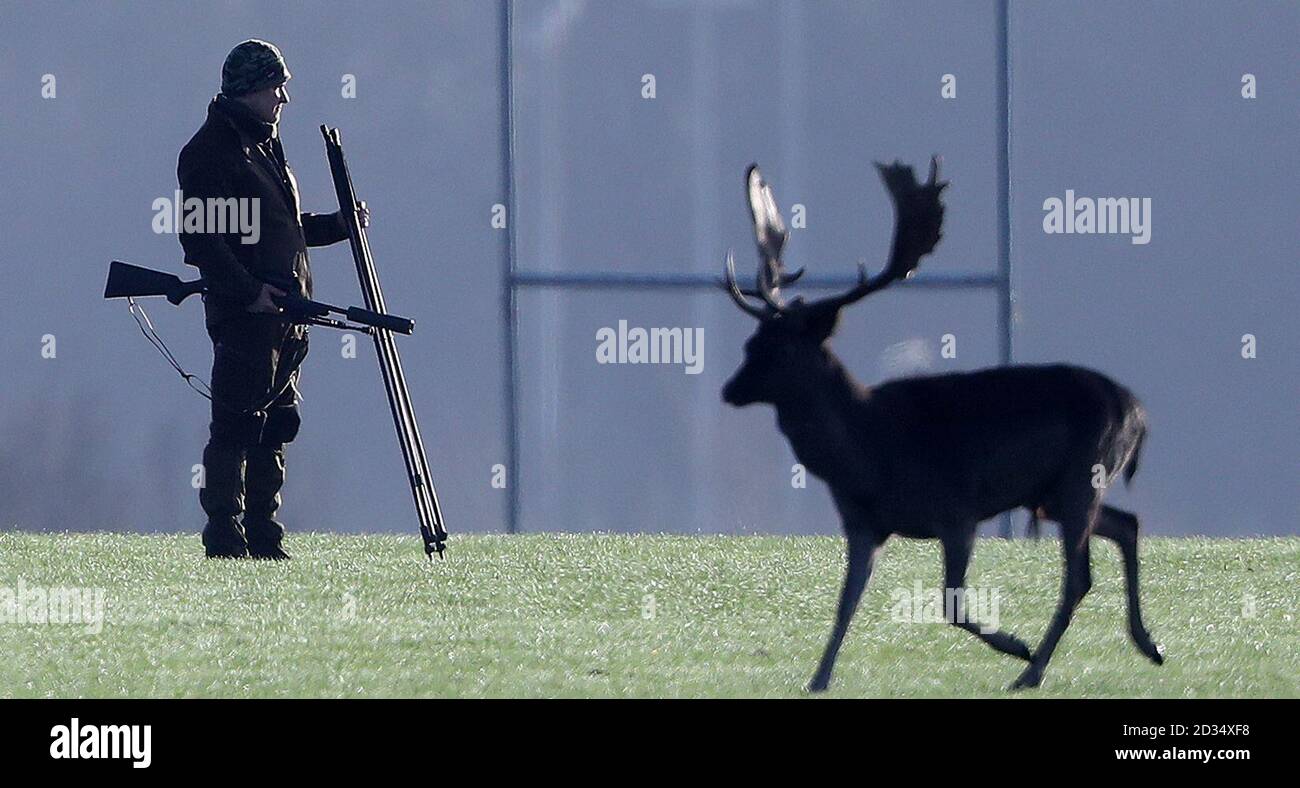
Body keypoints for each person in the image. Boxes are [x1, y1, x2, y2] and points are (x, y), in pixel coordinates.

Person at [178, 39, 368, 559]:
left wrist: (337, 226)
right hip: (248, 319)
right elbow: (201, 241)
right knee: (237, 426)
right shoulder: (212, 152)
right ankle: (225, 534)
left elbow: (280, 231)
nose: (283, 97)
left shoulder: (262, 149)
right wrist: (249, 293)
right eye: (275, 87)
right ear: (250, 90)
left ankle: (264, 534)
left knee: (276, 426)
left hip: (286, 317)